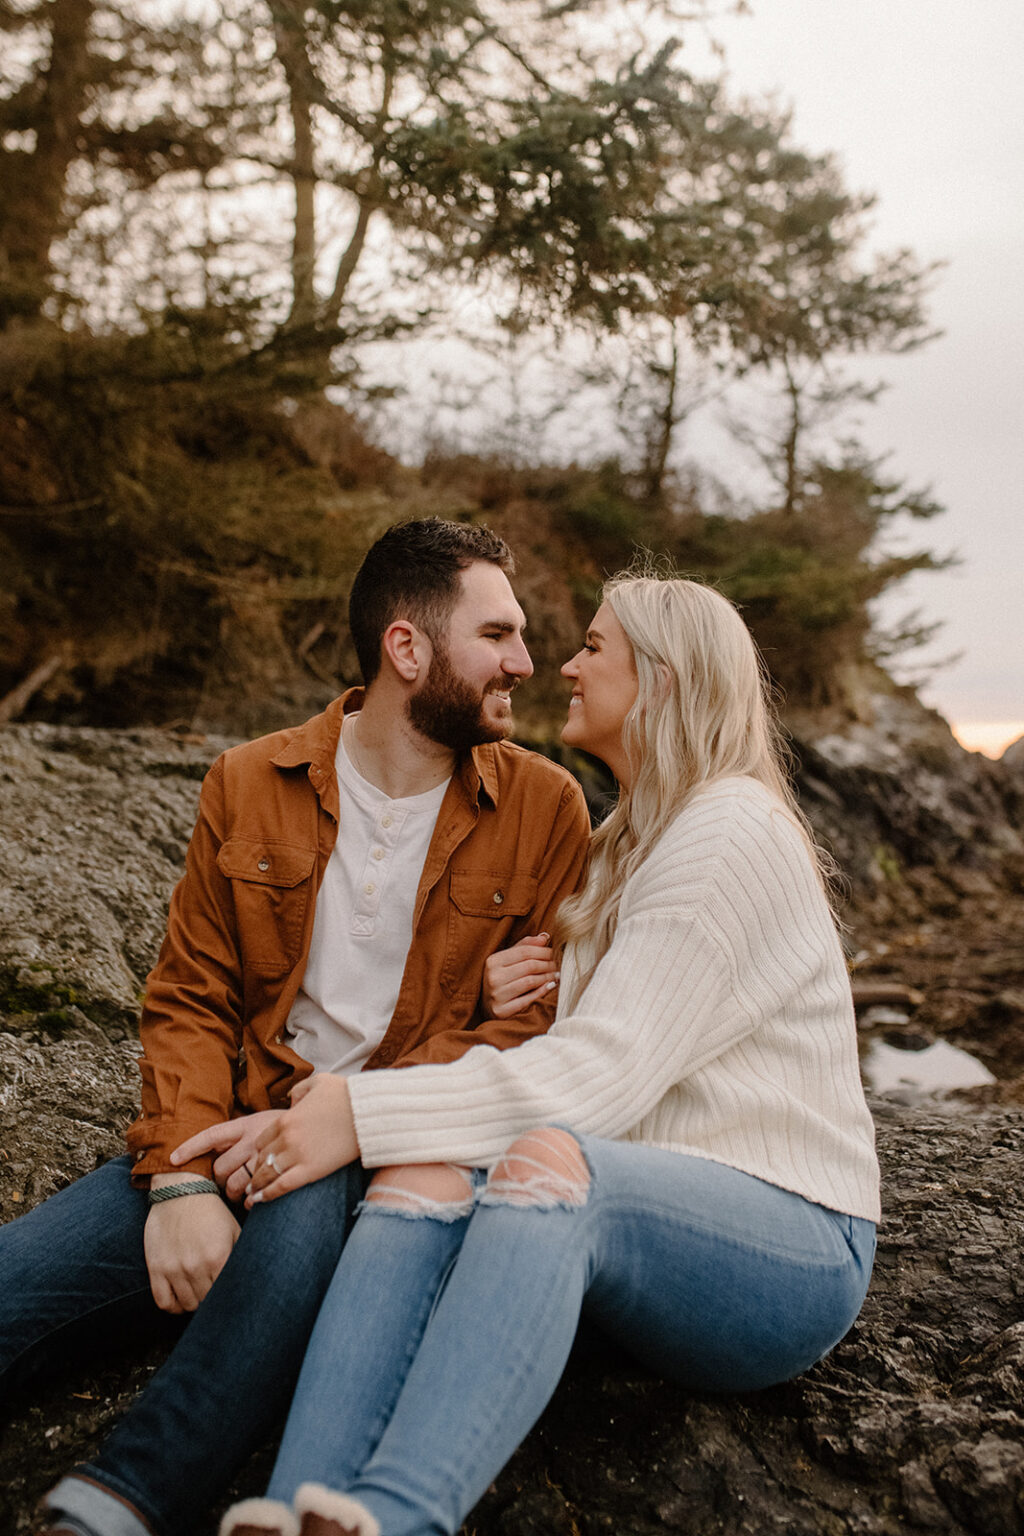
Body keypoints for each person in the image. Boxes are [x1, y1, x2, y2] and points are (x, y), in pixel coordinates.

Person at [207, 569, 881, 1536]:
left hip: (790, 1239)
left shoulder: (728, 832)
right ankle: (302, 1507)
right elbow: (589, 1049)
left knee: (546, 1159)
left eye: (595, 648)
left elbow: (600, 1081)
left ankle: (398, 1516)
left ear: (664, 678)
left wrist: (352, 1110)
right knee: (428, 1164)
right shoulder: (623, 845)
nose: (565, 664)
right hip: (641, 1204)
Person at [6, 518, 590, 1536]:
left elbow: (529, 1041)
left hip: (374, 1152)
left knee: (298, 1230)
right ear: (406, 649)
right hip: (220, 1129)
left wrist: (363, 1104)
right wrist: (183, 1182)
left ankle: (110, 1508)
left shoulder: (546, 809)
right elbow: (189, 998)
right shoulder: (246, 781)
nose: (526, 663)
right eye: (497, 635)